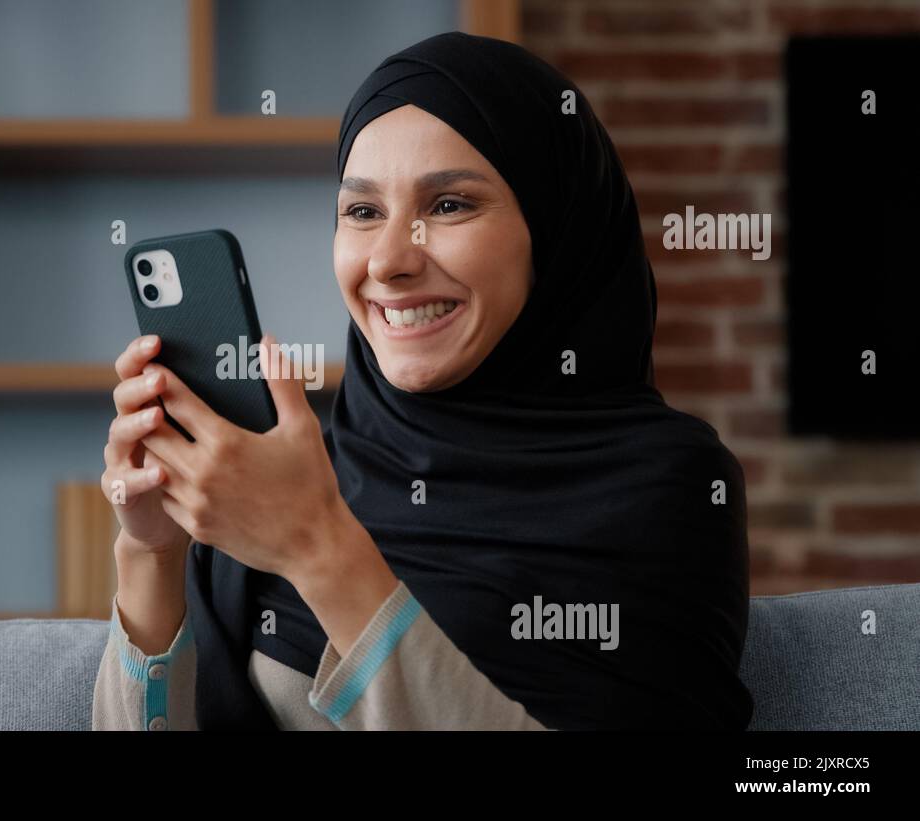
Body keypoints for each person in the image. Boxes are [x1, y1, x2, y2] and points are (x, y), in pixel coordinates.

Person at [93, 31, 753, 731]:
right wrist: (153, 553)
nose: (389, 261)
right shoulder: (293, 474)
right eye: (363, 211)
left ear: (556, 229)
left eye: (448, 205)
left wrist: (321, 549)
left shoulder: (671, 486)